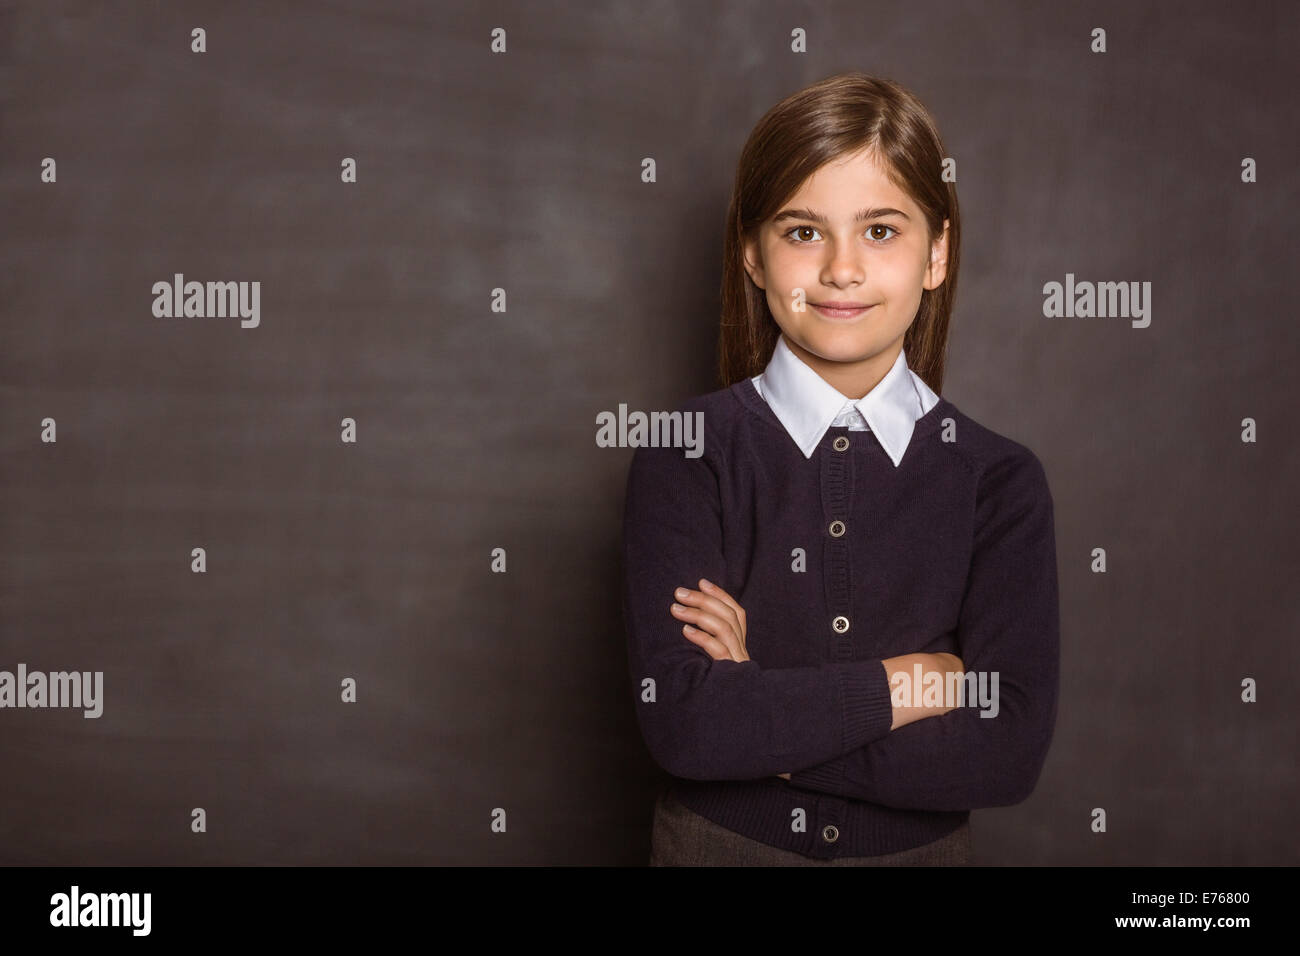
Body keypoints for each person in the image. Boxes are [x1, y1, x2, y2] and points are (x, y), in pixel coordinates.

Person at [621, 72, 1060, 866]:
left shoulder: (999, 482)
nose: (843, 270)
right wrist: (910, 682)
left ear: (938, 254)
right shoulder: (684, 450)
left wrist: (763, 716)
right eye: (803, 231)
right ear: (753, 255)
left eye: (882, 231)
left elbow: (1006, 750)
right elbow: (687, 725)